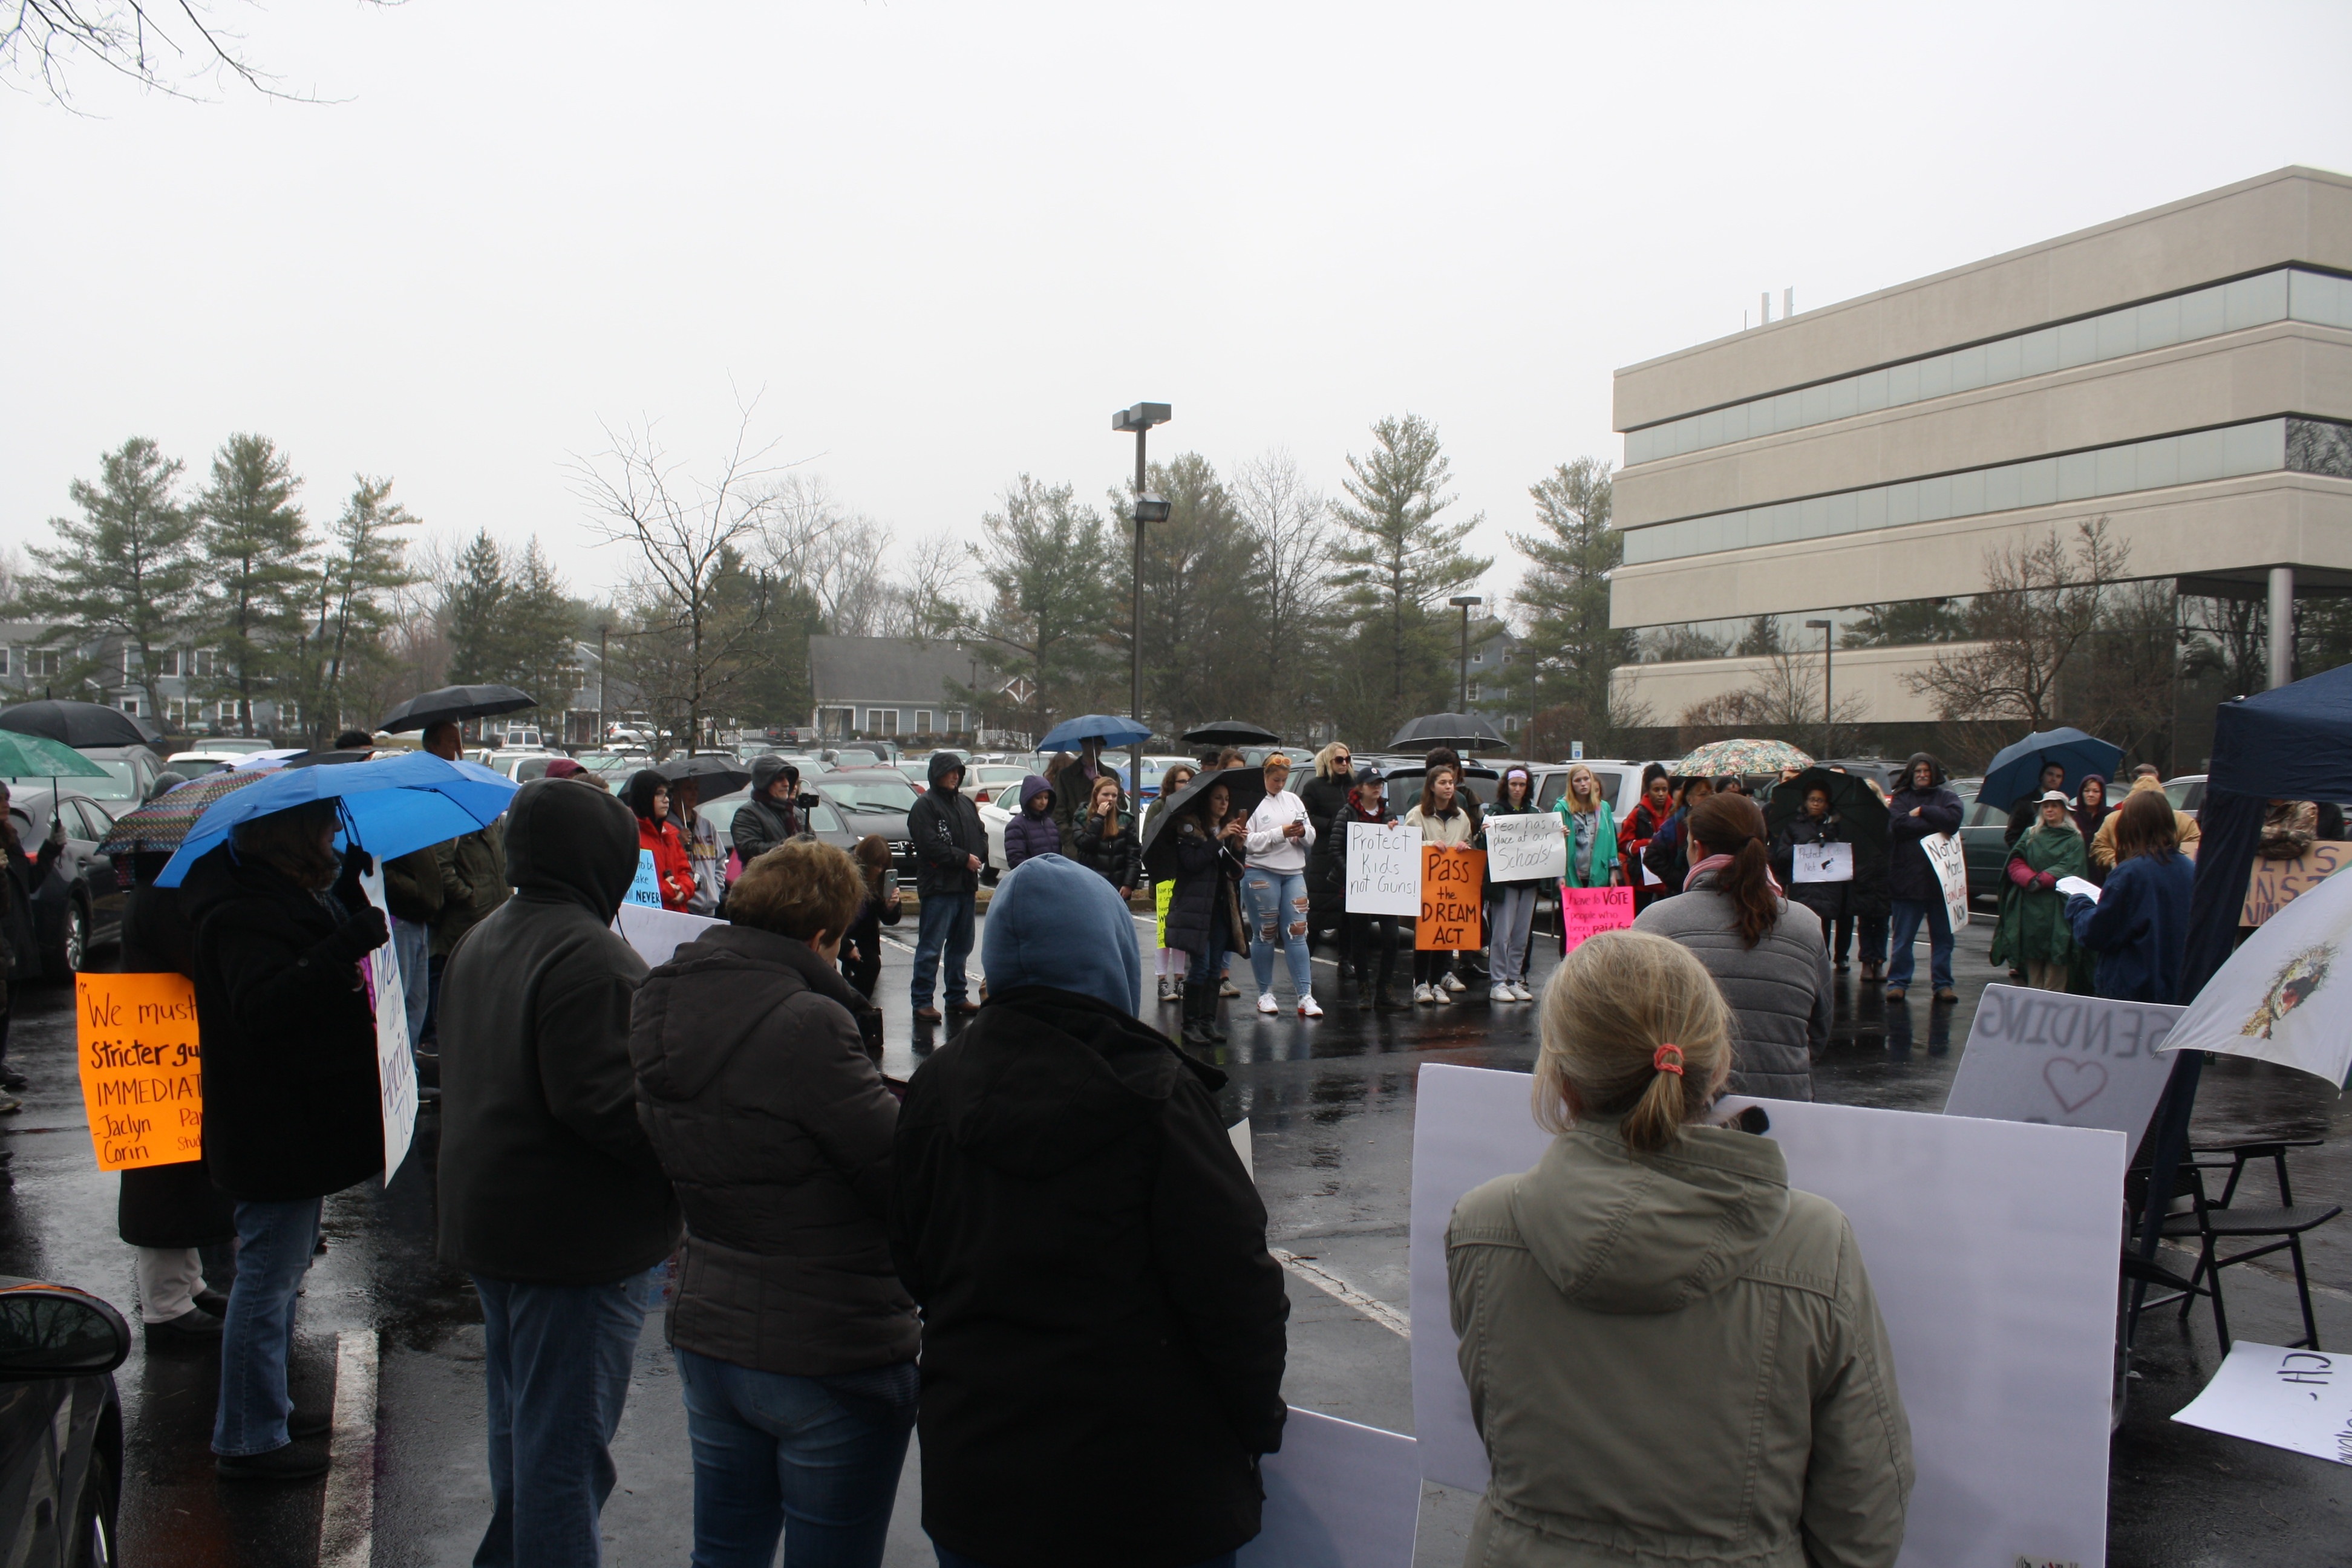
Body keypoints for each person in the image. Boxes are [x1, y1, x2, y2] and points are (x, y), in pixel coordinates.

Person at [1446, 929, 1912, 1566]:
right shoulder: (1813, 1243)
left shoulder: (1482, 1225)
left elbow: (1494, 1427)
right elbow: (1865, 1499)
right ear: (1715, 1065)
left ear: (1563, 1080)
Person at [889, 853, 1289, 1568]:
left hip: (980, 1477)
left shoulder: (935, 1088)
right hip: (1148, 1489)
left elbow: (913, 1260)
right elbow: (1236, 1290)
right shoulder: (1158, 1095)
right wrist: (1256, 1426)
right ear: (1109, 952)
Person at [632, 837, 915, 1568]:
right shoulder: (809, 1022)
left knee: (725, 1552)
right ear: (821, 937)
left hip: (710, 1321)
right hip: (827, 1337)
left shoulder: (660, 995)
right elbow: (896, 1177)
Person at [436, 777, 682, 1560]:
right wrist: (696, 1133)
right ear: (602, 857)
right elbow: (612, 1109)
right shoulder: (589, 954)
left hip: (495, 1227)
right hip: (572, 1243)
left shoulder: (487, 933)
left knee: (524, 1437)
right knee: (564, 1458)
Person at [182, 798, 388, 1481]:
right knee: (266, 1280)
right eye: (326, 822)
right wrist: (343, 944)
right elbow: (264, 1006)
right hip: (273, 1125)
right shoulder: (241, 909)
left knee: (280, 1272)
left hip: (293, 1121)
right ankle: (247, 1436)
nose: (335, 830)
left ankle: (264, 1403)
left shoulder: (272, 891)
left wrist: (350, 891)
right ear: (293, 833)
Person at [1633, 793, 1831, 1100]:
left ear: (1696, 848)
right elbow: (1817, 1033)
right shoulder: (1807, 924)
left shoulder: (1656, 922)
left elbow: (1636, 1029)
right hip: (1785, 1109)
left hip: (1686, 1106)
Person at [117, 848, 238, 1346]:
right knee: (164, 1181)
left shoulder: (157, 895)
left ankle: (187, 1285)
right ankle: (166, 1308)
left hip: (169, 1050)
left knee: (182, 1176)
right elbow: (200, 960)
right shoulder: (160, 901)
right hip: (159, 1056)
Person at [422, 720, 509, 1047]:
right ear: (432, 747)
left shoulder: (489, 818)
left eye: (460, 742)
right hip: (461, 926)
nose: (458, 750)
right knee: (452, 998)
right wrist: (469, 897)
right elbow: (442, 869)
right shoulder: (444, 808)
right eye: (450, 743)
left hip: (491, 920)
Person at [2065, 789, 2195, 1004]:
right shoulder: (2191, 870)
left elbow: (2098, 933)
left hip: (2131, 995)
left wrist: (2078, 905)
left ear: (2130, 826)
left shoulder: (2130, 874)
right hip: (2177, 991)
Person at [1168, 778, 1250, 1046]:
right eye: (1218, 797)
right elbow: (1192, 863)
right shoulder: (1189, 827)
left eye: (1227, 798)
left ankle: (1208, 1022)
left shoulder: (1224, 830)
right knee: (1200, 967)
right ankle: (1189, 1026)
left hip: (1219, 907)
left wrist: (1238, 846)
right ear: (1207, 800)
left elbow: (1234, 872)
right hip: (1196, 907)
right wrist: (1219, 838)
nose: (1224, 803)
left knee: (1215, 967)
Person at [907, 751, 985, 1025]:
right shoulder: (925, 806)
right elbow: (929, 846)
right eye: (950, 771)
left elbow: (980, 833)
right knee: (931, 947)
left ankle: (956, 995)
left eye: (958, 772)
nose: (955, 776)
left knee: (962, 946)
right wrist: (963, 859)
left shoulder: (965, 803)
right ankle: (922, 1001)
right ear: (936, 774)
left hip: (965, 886)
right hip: (939, 888)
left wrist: (978, 856)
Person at [1243, 751, 1320, 1018]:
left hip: (1293, 872)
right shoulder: (1251, 802)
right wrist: (1280, 834)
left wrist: (1302, 833)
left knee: (1298, 932)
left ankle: (1305, 995)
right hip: (1260, 872)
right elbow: (1247, 842)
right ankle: (1265, 993)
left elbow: (1311, 835)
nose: (1280, 784)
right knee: (1265, 933)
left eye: (1284, 780)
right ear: (1264, 775)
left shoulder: (1294, 800)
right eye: (1275, 779)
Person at [0, 783, 64, 1103]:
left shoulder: (10, 842)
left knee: (6, 1009)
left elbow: (30, 884)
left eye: (6, 800)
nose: (4, 806)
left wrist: (52, 849)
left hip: (18, 937)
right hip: (2, 940)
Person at [1884, 753, 1964, 1005]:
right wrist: (1934, 821)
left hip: (1941, 883)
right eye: (1918, 771)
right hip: (1906, 882)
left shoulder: (1947, 797)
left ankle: (1943, 984)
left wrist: (1924, 811)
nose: (1922, 775)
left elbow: (1953, 821)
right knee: (1903, 939)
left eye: (1926, 771)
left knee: (1943, 939)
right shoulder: (1900, 799)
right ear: (1911, 773)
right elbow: (1898, 827)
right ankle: (1898, 983)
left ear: (1934, 774)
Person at [1991, 790, 2086, 992]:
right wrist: (2029, 879)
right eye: (2046, 806)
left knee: (2058, 956)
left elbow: (2071, 866)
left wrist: (2044, 879)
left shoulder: (2075, 839)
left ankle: (2053, 1009)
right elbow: (2015, 860)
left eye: (2055, 806)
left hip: (2058, 908)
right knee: (2032, 959)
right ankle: (2033, 1004)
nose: (2050, 809)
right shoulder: (2031, 835)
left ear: (2064, 810)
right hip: (2031, 907)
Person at [1406, 765, 1476, 1005]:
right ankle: (1420, 983)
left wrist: (1465, 848)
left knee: (1444, 935)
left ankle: (1436, 983)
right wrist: (1429, 844)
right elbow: (1407, 845)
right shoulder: (1418, 815)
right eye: (1443, 783)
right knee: (1425, 936)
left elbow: (1468, 843)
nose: (1449, 787)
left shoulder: (1461, 816)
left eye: (1451, 783)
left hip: (1451, 887)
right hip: (1426, 884)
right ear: (1432, 786)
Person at [1478, 765, 1544, 1003]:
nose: (1517, 789)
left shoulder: (1535, 813)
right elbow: (1482, 845)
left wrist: (1558, 835)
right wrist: (1484, 832)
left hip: (1528, 882)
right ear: (1506, 786)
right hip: (1504, 883)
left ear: (1527, 788)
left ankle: (1514, 979)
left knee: (1521, 934)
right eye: (1514, 784)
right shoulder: (1495, 813)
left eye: (1522, 785)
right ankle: (1498, 982)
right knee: (1501, 934)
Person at [1769, 782, 1851, 956]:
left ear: (1827, 804)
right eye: (1812, 799)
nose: (1816, 803)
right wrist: (1802, 848)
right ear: (1805, 802)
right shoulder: (1794, 826)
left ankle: (1824, 961)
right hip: (1803, 888)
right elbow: (1781, 856)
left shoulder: (1836, 827)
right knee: (1804, 926)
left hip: (1828, 888)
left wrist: (1832, 839)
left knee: (1825, 929)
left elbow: (1846, 854)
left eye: (1820, 800)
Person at [1299, 742, 1356, 982]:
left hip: (1351, 855)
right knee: (1318, 911)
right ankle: (1305, 962)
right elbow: (1304, 816)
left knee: (1348, 915)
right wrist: (1330, 823)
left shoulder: (1355, 787)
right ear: (1328, 762)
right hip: (1323, 855)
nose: (1344, 764)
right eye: (1339, 760)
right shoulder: (1314, 786)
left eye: (1347, 759)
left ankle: (1345, 961)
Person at [1145, 762, 1198, 1004]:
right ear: (1171, 784)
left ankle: (1180, 980)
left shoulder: (1194, 808)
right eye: (1181, 781)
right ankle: (1162, 981)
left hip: (1186, 875)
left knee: (1181, 932)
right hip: (1165, 876)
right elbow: (1149, 843)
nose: (1185, 786)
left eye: (1189, 781)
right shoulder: (1159, 806)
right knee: (1164, 933)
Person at [380, 847, 442, 1054]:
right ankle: (395, 1073)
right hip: (401, 918)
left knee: (417, 1005)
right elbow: (378, 867)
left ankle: (410, 1070)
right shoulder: (386, 821)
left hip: (421, 919)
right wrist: (416, 892)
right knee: (398, 1005)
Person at [2090, 765, 2200, 870]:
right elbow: (2099, 846)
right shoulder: (2113, 820)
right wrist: (2114, 860)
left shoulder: (2183, 821)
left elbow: (2193, 846)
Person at [840, 835, 903, 1007]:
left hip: (862, 934)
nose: (879, 870)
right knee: (829, 969)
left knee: (871, 964)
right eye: (876, 864)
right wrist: (846, 946)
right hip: (837, 932)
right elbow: (828, 919)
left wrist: (890, 907)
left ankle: (858, 1007)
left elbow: (890, 919)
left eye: (883, 866)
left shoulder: (882, 878)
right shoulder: (845, 875)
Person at [627, 769, 697, 912]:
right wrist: (665, 890)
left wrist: (683, 889)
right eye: (658, 794)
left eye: (667, 795)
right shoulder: (629, 833)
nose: (666, 800)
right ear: (644, 796)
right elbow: (630, 887)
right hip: (645, 920)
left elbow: (686, 871)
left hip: (677, 917)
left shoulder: (670, 833)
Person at [733, 756, 809, 872]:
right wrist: (792, 846)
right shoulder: (748, 814)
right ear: (765, 782)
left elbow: (812, 844)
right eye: (779, 779)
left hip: (799, 883)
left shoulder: (795, 812)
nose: (786, 784)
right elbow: (749, 850)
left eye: (788, 779)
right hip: (766, 885)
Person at [1641, 776, 1714, 897]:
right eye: (1703, 794)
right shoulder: (1675, 825)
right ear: (1690, 799)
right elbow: (1651, 857)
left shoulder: (1717, 821)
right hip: (1681, 894)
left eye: (1712, 793)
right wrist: (1680, 880)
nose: (1709, 798)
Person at [1072, 774, 1140, 900]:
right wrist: (1099, 818)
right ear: (1096, 795)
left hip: (1118, 886)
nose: (1110, 799)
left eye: (1114, 796)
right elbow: (1085, 846)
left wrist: (1129, 884)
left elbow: (1133, 855)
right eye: (1105, 795)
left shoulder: (1125, 819)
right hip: (1092, 883)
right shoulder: (1082, 817)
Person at [1554, 763, 1618, 894]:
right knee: (1572, 915)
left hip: (1599, 875)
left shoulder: (1604, 808)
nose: (1583, 783)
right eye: (1578, 780)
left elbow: (1611, 843)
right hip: (1572, 876)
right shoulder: (1561, 808)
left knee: (1597, 914)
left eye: (1586, 779)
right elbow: (1554, 846)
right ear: (1571, 784)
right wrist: (1559, 876)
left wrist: (1613, 873)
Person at [670, 774, 724, 914]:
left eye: (696, 788)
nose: (694, 793)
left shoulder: (707, 826)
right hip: (684, 906)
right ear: (675, 793)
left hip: (710, 906)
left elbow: (719, 862)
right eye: (688, 789)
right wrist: (679, 843)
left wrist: (716, 888)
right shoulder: (668, 827)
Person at [1052, 736, 1116, 853]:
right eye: (1094, 744)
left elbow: (1121, 806)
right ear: (1083, 745)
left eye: (1100, 744)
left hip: (1106, 844)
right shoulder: (1066, 776)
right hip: (1076, 845)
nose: (1098, 748)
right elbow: (1058, 812)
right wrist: (1070, 840)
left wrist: (1104, 787)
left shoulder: (1110, 774)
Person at [2004, 761, 2068, 849]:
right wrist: (2025, 855)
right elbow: (2012, 836)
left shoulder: (2063, 804)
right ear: (2042, 776)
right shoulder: (2024, 803)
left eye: (2058, 776)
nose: (2054, 779)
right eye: (2050, 774)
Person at [1001, 774, 1059, 871]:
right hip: (1030, 879)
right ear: (1029, 798)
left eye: (1046, 798)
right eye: (1038, 798)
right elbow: (1015, 860)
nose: (1043, 802)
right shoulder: (1017, 826)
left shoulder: (1051, 824)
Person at [2071, 774, 2114, 881]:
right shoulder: (2071, 815)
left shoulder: (2111, 815)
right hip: (2078, 870)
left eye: (2096, 791)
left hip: (2104, 871)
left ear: (2102, 794)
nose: (2091, 795)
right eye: (2087, 791)